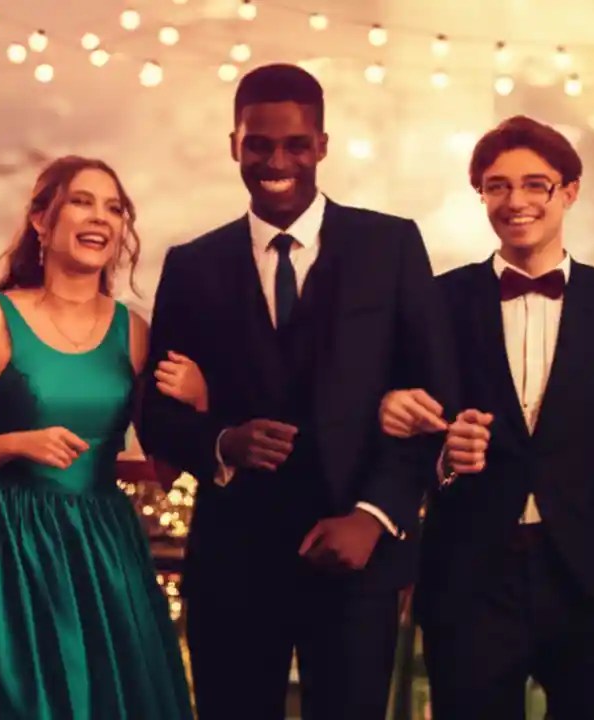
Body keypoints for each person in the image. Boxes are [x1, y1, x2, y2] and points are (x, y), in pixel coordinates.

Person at [138, 64, 457, 719]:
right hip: (234, 563)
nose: (276, 160)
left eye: (295, 144)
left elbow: (434, 401)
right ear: (235, 144)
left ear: (322, 146)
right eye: (258, 144)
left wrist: (373, 517)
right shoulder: (192, 266)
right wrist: (222, 441)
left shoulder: (390, 245)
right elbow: (158, 415)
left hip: (356, 564)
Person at [379, 115, 594, 719]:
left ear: (570, 190)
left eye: (535, 184)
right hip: (469, 580)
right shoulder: (438, 300)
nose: (515, 201)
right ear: (481, 195)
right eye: (496, 186)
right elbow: (404, 436)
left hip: (589, 580)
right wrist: (442, 455)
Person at [0, 156, 193, 719]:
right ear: (40, 219)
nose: (100, 216)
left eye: (114, 207)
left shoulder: (135, 331)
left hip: (100, 544)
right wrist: (14, 445)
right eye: (81, 200)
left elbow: (167, 466)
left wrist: (200, 398)